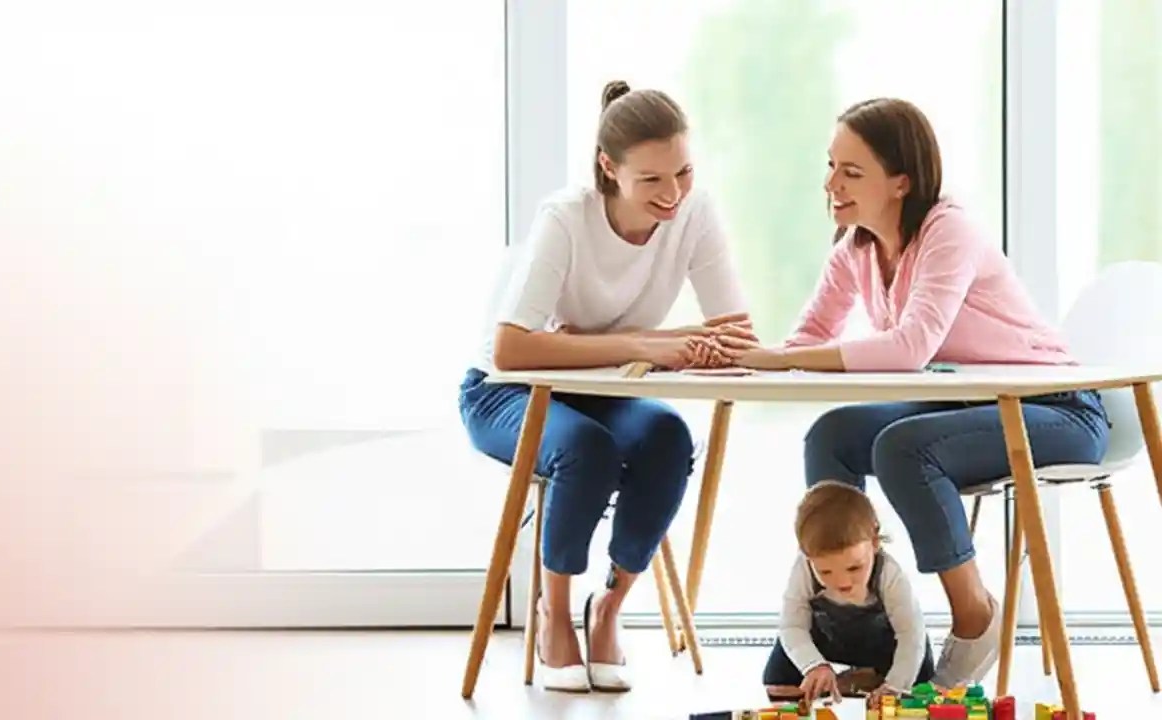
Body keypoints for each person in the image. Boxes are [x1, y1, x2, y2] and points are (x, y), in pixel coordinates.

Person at [725, 97, 1110, 686]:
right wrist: (736, 362)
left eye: (851, 172)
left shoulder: (947, 230)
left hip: (1057, 410)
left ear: (901, 182)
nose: (831, 183)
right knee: (833, 434)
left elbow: (911, 348)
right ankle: (848, 617)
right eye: (830, 165)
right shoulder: (855, 249)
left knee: (903, 447)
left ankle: (974, 615)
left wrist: (780, 359)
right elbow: (805, 342)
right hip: (968, 409)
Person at [458, 80, 754, 693]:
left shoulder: (694, 214)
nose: (672, 194)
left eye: (683, 172)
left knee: (668, 437)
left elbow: (735, 330)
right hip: (504, 391)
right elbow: (513, 347)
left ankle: (609, 608)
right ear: (608, 169)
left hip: (601, 388)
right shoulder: (566, 219)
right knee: (585, 450)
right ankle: (554, 613)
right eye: (651, 180)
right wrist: (647, 343)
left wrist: (685, 345)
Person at [763, 481, 934, 705]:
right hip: (830, 640)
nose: (842, 582)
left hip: (881, 645)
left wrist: (895, 687)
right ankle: (851, 679)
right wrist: (813, 665)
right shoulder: (803, 569)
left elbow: (910, 635)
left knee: (921, 678)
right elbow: (792, 625)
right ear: (806, 554)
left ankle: (869, 677)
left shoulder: (889, 574)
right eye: (825, 571)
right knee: (776, 681)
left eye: (854, 568)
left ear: (874, 543)